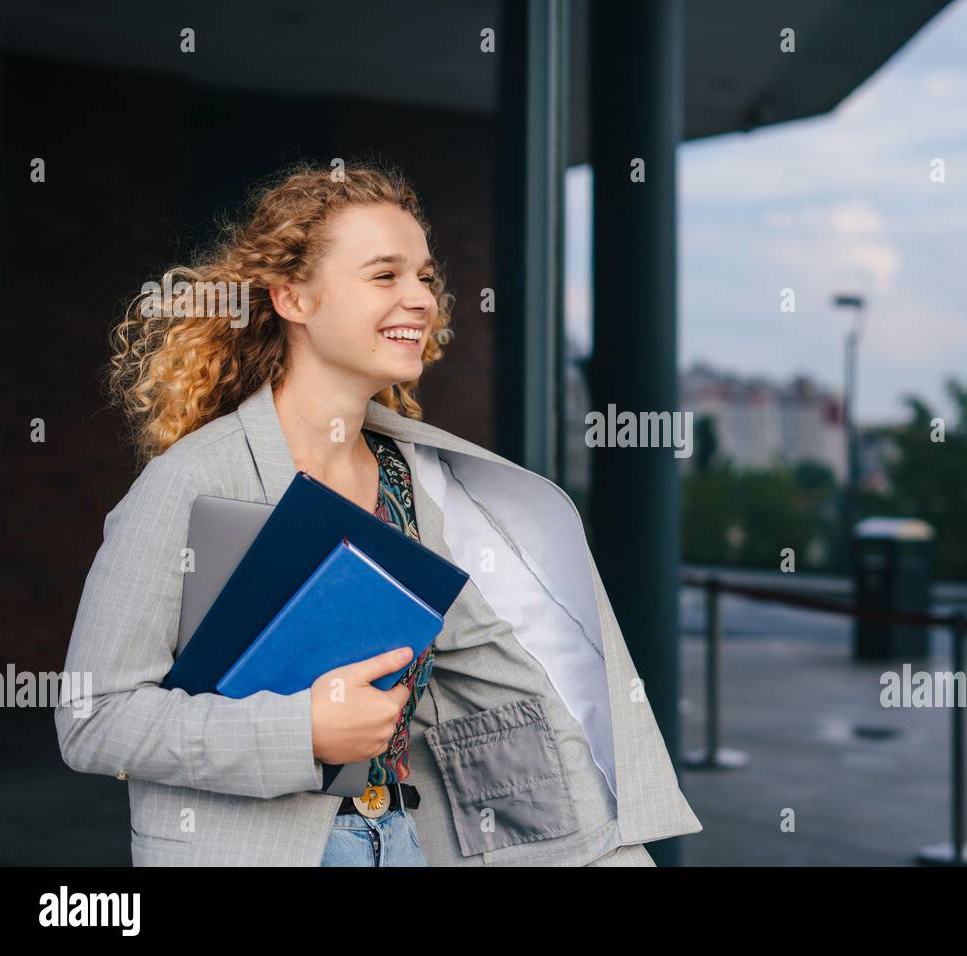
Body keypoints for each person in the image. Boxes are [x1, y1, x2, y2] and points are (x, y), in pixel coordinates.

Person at [56, 160, 701, 866]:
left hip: (402, 843)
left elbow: (506, 690)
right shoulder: (189, 482)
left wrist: (609, 854)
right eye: (385, 275)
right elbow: (93, 717)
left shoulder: (415, 482)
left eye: (424, 276)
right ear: (293, 298)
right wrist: (301, 731)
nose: (422, 298)